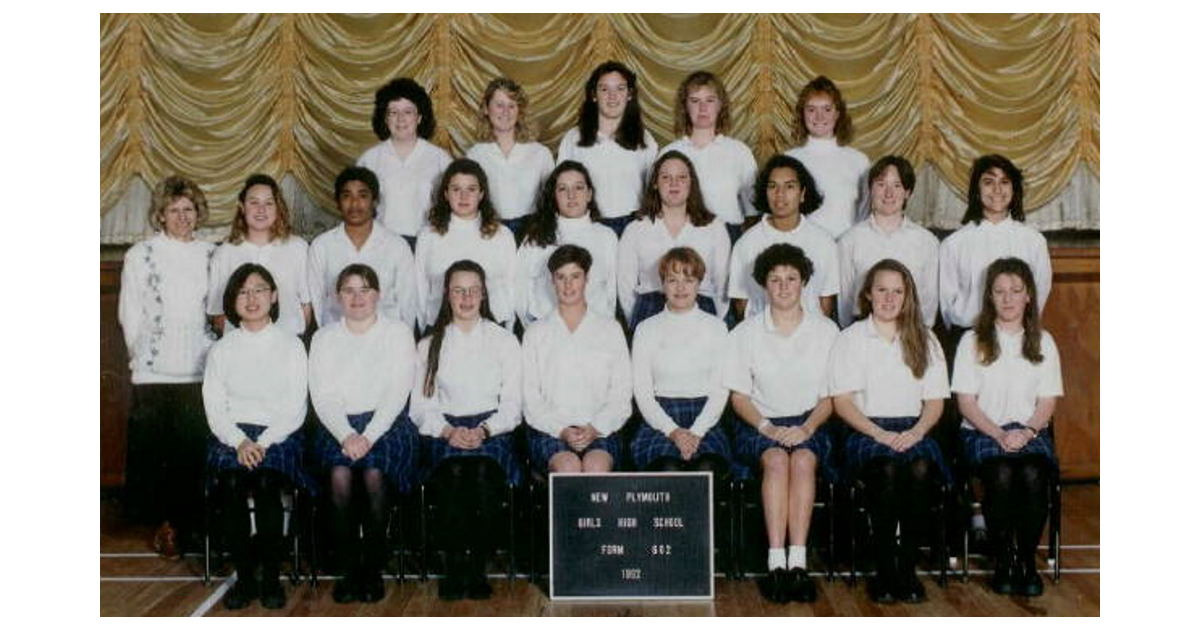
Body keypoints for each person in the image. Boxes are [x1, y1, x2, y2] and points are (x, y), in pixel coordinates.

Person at [829, 259, 951, 604]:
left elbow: (935, 402)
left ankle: (907, 569)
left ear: (907, 296)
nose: (889, 298)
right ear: (868, 294)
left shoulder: (925, 338)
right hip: (865, 430)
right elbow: (843, 402)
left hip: (914, 428)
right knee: (885, 470)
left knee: (920, 469)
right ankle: (884, 569)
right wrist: (879, 435)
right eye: (882, 290)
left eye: (897, 291)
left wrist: (917, 432)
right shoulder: (850, 339)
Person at [725, 244, 840, 603]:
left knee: (803, 460)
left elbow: (833, 396)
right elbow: (739, 396)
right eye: (775, 279)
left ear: (804, 282)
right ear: (764, 284)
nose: (784, 286)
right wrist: (768, 428)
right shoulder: (745, 333)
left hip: (811, 422)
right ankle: (775, 564)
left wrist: (806, 428)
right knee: (776, 460)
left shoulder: (827, 331)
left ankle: (798, 564)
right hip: (760, 424)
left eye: (791, 278)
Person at [411, 260, 522, 601]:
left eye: (474, 290)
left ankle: (476, 567)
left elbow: (513, 404)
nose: (466, 297)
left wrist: (486, 430)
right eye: (458, 290)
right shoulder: (429, 344)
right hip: (446, 428)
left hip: (493, 429)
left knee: (483, 472)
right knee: (455, 472)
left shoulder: (504, 340)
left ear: (484, 294)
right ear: (447, 295)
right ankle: (455, 566)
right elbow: (421, 407)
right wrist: (448, 431)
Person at [202, 263, 311, 610]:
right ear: (232, 300)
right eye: (243, 292)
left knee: (266, 482)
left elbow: (295, 406)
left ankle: (271, 579)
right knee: (231, 482)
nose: (251, 299)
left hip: (278, 434)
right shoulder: (222, 349)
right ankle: (246, 578)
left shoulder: (291, 345)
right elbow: (215, 408)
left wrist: (262, 443)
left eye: (259, 290)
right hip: (232, 435)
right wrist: (240, 442)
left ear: (274, 296)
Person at [118, 175, 216, 558]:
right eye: (173, 210)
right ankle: (165, 526)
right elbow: (130, 314)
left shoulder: (212, 254)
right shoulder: (140, 255)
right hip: (154, 371)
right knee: (157, 455)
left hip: (198, 370)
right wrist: (144, 356)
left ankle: (189, 524)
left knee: (191, 452)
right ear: (160, 215)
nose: (182, 217)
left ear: (198, 213)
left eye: (188, 209)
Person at [309, 264, 419, 604]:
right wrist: (346, 435)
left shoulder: (398, 333)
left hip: (387, 423)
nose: (357, 297)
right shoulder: (324, 337)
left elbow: (398, 392)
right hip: (337, 424)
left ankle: (372, 567)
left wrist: (368, 436)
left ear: (378, 294)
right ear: (337, 296)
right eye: (349, 290)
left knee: (373, 473)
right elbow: (323, 395)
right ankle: (348, 569)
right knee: (339, 473)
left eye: (365, 289)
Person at [953, 258, 1062, 597]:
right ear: (990, 296)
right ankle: (1003, 560)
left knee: (1033, 472)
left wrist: (1027, 432)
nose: (1008, 298)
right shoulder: (972, 340)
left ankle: (1025, 561)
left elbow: (1047, 401)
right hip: (982, 430)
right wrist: (999, 434)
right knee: (1000, 472)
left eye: (1016, 291)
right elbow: (966, 402)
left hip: (1029, 430)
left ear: (1029, 296)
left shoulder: (1044, 341)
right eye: (999, 291)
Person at [522, 245, 632, 474]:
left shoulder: (610, 329)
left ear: (587, 278)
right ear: (552, 281)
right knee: (568, 467)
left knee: (596, 466)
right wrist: (561, 430)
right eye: (561, 277)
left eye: (575, 276)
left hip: (600, 429)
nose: (568, 285)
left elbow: (621, 394)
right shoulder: (536, 332)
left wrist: (596, 428)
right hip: (551, 430)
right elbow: (531, 398)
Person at [939, 154, 1052, 364]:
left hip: (1018, 338)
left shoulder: (1033, 241)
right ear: (976, 190)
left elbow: (1039, 294)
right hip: (967, 339)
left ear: (1014, 190)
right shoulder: (954, 244)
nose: (997, 189)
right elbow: (947, 305)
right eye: (989, 182)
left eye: (1005, 182)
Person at [630, 247, 731, 477]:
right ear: (662, 284)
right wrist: (673, 431)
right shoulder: (645, 329)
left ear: (699, 284)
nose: (681, 288)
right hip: (659, 419)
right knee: (668, 469)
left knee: (707, 469)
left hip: (705, 417)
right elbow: (642, 393)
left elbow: (720, 390)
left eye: (689, 280)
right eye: (672, 280)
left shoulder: (717, 328)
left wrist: (696, 432)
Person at [618, 151, 731, 330]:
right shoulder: (635, 229)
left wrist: (714, 320)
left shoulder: (714, 227)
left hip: (701, 309)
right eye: (666, 177)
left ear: (691, 183)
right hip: (650, 309)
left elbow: (723, 283)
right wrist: (639, 323)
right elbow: (625, 286)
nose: (674, 183)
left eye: (681, 177)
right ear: (655, 183)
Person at [729, 154, 839, 322]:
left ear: (802, 193)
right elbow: (741, 304)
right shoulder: (746, 243)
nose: (780, 194)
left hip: (810, 332)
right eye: (773, 186)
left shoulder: (824, 242)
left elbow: (826, 303)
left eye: (789, 186)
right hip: (761, 331)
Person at [307, 166, 417, 330]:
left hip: (386, 336)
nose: (354, 203)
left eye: (363, 195)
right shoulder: (321, 246)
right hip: (337, 335)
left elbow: (408, 304)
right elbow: (316, 302)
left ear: (375, 201)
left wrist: (402, 339)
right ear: (337, 202)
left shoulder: (397, 246)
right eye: (347, 196)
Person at [413, 158, 517, 331]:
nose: (464, 196)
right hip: (440, 326)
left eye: (471, 189)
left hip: (493, 325)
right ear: (446, 194)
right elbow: (420, 286)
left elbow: (511, 284)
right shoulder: (428, 236)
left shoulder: (502, 235)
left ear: (481, 194)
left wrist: (509, 328)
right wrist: (425, 327)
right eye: (456, 189)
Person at [557, 60, 658, 236]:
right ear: (594, 95)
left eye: (620, 88)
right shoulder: (573, 139)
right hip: (589, 226)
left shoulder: (645, 140)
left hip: (633, 227)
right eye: (604, 89)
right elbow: (560, 188)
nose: (612, 96)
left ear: (629, 94)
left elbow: (654, 191)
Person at [837, 155, 939, 328]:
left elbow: (929, 302)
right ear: (870, 189)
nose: (889, 193)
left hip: (910, 330)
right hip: (862, 329)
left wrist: (917, 335)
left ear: (907, 192)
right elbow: (845, 302)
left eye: (897, 185)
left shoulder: (927, 242)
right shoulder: (849, 241)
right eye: (881, 184)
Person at [515, 161, 619, 327]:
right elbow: (520, 286)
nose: (571, 195)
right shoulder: (537, 237)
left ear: (589, 194)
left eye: (578, 187)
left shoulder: (606, 236)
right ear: (554, 196)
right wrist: (531, 328)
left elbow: (611, 292)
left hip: (594, 327)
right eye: (563, 189)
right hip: (547, 328)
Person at [207, 174, 311, 337]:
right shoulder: (225, 253)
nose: (261, 209)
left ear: (278, 208)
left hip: (287, 341)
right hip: (239, 344)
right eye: (254, 202)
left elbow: (306, 304)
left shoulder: (298, 248)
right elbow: (218, 313)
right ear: (242, 207)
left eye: (268, 203)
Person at [660, 70, 758, 242]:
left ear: (720, 106)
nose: (703, 108)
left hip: (729, 235)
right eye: (695, 101)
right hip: (682, 236)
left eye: (710, 100)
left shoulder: (739, 152)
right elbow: (655, 206)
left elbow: (753, 212)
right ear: (685, 106)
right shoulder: (668, 153)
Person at [357, 77, 453, 246]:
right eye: (393, 112)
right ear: (385, 118)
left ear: (419, 117)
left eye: (408, 112)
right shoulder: (369, 160)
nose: (400, 119)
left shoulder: (440, 159)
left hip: (427, 244)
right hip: (381, 245)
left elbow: (450, 209)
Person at [465, 77, 555, 238]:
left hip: (531, 235)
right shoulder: (475, 154)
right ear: (486, 108)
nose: (505, 112)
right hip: (489, 234)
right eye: (499, 105)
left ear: (519, 111)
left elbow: (552, 202)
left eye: (511, 106)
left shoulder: (541, 153)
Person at [784, 76, 871, 239]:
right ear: (802, 114)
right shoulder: (788, 160)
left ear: (837, 114)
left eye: (827, 109)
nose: (819, 117)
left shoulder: (859, 161)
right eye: (811, 110)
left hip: (846, 248)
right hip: (801, 248)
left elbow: (864, 214)